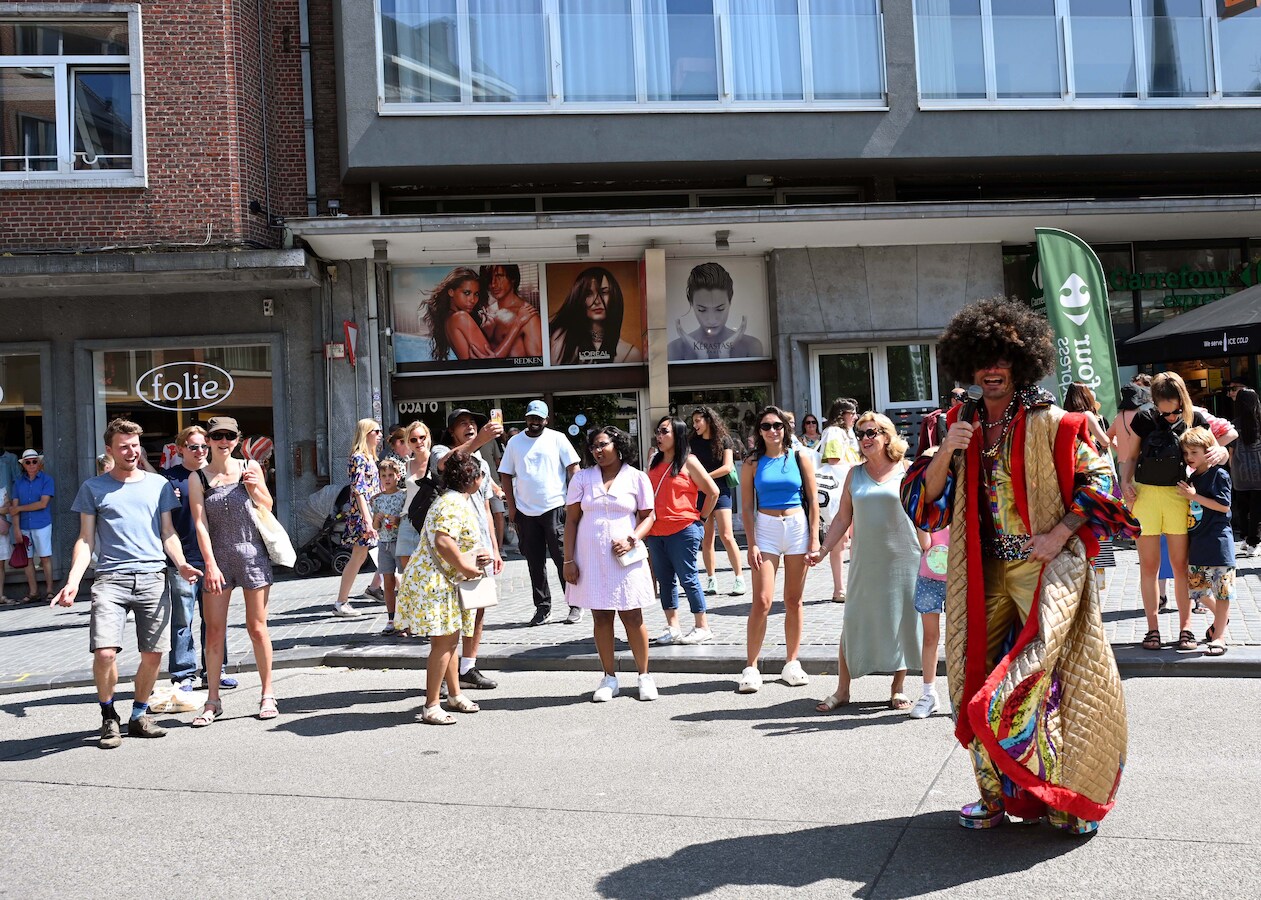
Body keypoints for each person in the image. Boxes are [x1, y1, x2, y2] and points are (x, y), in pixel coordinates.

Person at [901, 296, 1138, 835]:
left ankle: (1063, 799)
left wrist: (1059, 534)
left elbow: (1102, 485)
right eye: (982, 360)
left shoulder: (1054, 422)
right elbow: (923, 502)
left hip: (1042, 569)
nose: (992, 369)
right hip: (981, 571)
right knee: (973, 681)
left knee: (1046, 682)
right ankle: (992, 796)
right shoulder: (956, 424)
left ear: (1021, 363)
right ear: (969, 366)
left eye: (1002, 359)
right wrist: (947, 450)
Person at [52, 418, 201, 749]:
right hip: (110, 580)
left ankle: (138, 714)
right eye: (123, 446)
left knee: (154, 654)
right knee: (105, 652)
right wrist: (73, 581)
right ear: (110, 450)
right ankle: (109, 716)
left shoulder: (158, 485)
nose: (131, 451)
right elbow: (85, 539)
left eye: (135, 445)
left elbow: (168, 532)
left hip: (153, 577)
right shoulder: (93, 488)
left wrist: (181, 564)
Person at [1120, 371, 1236, 652]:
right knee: (1149, 567)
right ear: (1155, 402)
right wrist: (1124, 483)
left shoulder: (1195, 417)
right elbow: (1131, 456)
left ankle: (1186, 628)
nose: (1171, 417)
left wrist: (1222, 453)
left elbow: (1219, 447)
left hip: (1179, 495)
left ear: (1182, 400)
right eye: (1165, 412)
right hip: (1145, 495)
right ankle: (1152, 629)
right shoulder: (1144, 418)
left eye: (1175, 411)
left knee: (1180, 566)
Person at [815, 412, 922, 713]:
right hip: (866, 559)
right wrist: (823, 550)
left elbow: (923, 514)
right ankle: (842, 690)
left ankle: (898, 687)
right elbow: (842, 518)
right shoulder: (854, 474)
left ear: (887, 436)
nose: (865, 439)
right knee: (853, 620)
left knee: (902, 619)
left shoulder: (907, 469)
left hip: (904, 557)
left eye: (872, 432)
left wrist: (934, 552)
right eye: (860, 434)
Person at [188, 416, 278, 726]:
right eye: (217, 436)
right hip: (219, 558)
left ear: (237, 439)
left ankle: (267, 694)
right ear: (209, 441)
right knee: (214, 631)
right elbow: (200, 523)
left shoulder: (249, 468)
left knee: (257, 627)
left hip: (253, 554)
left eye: (229, 436)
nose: (223, 441)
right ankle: (212, 700)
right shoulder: (198, 478)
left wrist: (254, 488)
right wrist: (210, 564)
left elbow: (267, 505)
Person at [395, 451, 493, 725]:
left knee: (450, 641)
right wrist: (466, 567)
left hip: (439, 580)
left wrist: (474, 558)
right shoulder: (453, 502)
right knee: (443, 644)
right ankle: (432, 704)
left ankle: (454, 694)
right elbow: (443, 541)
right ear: (473, 479)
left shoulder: (451, 499)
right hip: (437, 582)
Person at [562, 426, 657, 701]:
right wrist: (568, 560)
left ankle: (644, 675)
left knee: (632, 615)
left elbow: (649, 516)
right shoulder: (582, 478)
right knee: (601, 617)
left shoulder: (637, 477)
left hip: (626, 557)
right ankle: (609, 677)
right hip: (590, 558)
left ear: (618, 445)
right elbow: (571, 521)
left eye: (603, 444)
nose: (597, 450)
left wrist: (632, 538)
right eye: (593, 446)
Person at [738, 406, 819, 693]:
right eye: (766, 426)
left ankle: (792, 662)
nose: (772, 430)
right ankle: (751, 666)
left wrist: (814, 539)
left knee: (794, 600)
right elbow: (746, 506)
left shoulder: (799, 456)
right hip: (766, 528)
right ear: (759, 431)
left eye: (777, 425)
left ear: (785, 428)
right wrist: (751, 542)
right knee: (762, 600)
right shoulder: (752, 462)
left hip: (796, 526)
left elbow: (813, 500)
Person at [432, 408, 504, 690]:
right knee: (451, 612)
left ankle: (468, 667)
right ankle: (444, 674)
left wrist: (494, 547)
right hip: (453, 547)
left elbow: (486, 509)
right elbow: (443, 464)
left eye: (473, 423)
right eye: (463, 424)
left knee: (478, 607)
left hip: (480, 547)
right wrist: (480, 440)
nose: (470, 427)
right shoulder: (441, 451)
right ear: (452, 431)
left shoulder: (481, 463)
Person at [159, 425, 234, 694]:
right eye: (194, 446)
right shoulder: (168, 480)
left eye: (204, 445)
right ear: (181, 449)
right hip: (184, 560)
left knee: (216, 620)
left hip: (216, 559)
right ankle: (183, 673)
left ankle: (216, 670)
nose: (201, 450)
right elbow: (165, 526)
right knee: (183, 620)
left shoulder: (215, 475)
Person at [499, 400, 580, 626]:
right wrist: (512, 507)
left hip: (555, 507)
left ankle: (575, 603)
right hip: (525, 511)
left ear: (546, 420)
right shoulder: (515, 442)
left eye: (538, 418)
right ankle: (543, 608)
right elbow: (505, 474)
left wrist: (574, 501)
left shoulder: (557, 438)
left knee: (563, 558)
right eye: (531, 418)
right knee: (534, 563)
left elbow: (574, 468)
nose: (534, 422)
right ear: (526, 419)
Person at [646, 416, 720, 646]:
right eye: (658, 432)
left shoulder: (689, 461)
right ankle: (673, 627)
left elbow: (713, 492)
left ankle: (702, 626)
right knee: (665, 580)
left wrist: (701, 519)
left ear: (677, 434)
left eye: (664, 432)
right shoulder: (654, 461)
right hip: (656, 531)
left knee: (688, 578)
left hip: (683, 529)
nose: (659, 436)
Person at [1178, 427, 1233, 656]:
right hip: (1198, 542)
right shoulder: (1193, 477)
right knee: (1199, 592)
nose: (1189, 457)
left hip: (1219, 542)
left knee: (1222, 592)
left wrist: (1194, 496)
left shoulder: (1219, 474)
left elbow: (1224, 506)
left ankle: (1219, 637)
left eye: (1194, 452)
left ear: (1207, 451)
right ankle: (1222, 619)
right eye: (1186, 453)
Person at [425, 266, 537, 362]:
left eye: (476, 294)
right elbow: (491, 361)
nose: (472, 300)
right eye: (467, 293)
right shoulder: (461, 317)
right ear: (451, 292)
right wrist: (517, 324)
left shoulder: (448, 318)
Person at [690, 406, 744, 597]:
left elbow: (727, 467)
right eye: (693, 421)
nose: (695, 425)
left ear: (708, 420)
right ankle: (711, 578)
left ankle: (739, 577)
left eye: (698, 420)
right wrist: (701, 482)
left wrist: (704, 477)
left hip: (721, 492)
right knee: (707, 538)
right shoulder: (692, 442)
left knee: (727, 535)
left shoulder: (724, 439)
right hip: (700, 493)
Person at [910, 451, 948, 720]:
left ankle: (962, 691)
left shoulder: (962, 500)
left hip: (959, 577)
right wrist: (920, 519)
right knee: (930, 637)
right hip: (929, 577)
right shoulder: (924, 507)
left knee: (961, 637)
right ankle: (929, 693)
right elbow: (925, 544)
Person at [333, 419, 382, 618]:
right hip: (364, 514)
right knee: (362, 556)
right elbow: (359, 490)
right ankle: (341, 601)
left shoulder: (369, 457)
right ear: (366, 433)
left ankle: (343, 601)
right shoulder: (358, 458)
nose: (379, 435)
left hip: (370, 513)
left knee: (360, 557)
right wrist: (368, 519)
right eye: (376, 431)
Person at [668, 262, 764, 360]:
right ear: (692, 303)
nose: (712, 320)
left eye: (720, 309)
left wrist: (724, 354)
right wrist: (701, 356)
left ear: (730, 302)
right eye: (702, 310)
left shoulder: (751, 346)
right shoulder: (675, 348)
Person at [549, 266, 643, 365]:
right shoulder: (562, 340)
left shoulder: (630, 354)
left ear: (614, 296)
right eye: (588, 294)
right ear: (579, 298)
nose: (597, 301)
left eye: (604, 292)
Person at [817, 398, 861, 602]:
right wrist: (857, 466)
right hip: (840, 489)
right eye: (852, 413)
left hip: (849, 487)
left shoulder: (847, 432)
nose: (855, 417)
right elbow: (833, 460)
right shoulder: (834, 432)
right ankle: (839, 588)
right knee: (841, 541)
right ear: (842, 414)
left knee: (853, 538)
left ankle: (851, 585)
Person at [10, 448, 55, 602]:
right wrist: (16, 529)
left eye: (34, 461)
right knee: (27, 560)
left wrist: (19, 509)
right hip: (24, 526)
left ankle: (50, 590)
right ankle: (33, 592)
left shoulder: (47, 480)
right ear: (23, 465)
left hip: (42, 524)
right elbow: (13, 508)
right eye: (28, 462)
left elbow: (43, 504)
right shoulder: (18, 483)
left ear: (39, 463)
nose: (31, 464)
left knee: (45, 558)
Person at [371, 458, 407, 635]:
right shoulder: (377, 500)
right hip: (384, 544)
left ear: (398, 476)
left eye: (391, 475)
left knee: (405, 579)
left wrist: (398, 520)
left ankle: (407, 616)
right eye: (384, 475)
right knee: (388, 581)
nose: (387, 479)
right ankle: (391, 617)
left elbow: (406, 519)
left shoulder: (404, 496)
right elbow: (375, 526)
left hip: (400, 542)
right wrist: (377, 520)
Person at [481, 263, 543, 359]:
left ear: (512, 278)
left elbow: (537, 361)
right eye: (489, 278)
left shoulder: (528, 316)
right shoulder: (487, 312)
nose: (493, 284)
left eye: (499, 277)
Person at [1229, 387, 1261, 557]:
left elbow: (1231, 453)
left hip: (1240, 472)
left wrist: (1232, 470)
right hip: (1259, 473)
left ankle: (1246, 538)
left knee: (1242, 507)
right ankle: (1253, 543)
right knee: (1257, 509)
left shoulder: (1234, 425)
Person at [919, 388, 967, 452]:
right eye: (963, 399)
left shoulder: (967, 415)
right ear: (953, 401)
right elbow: (946, 441)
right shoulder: (944, 418)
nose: (965, 403)